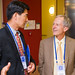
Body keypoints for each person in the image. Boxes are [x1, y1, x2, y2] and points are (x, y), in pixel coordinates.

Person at [0, 1, 36, 75]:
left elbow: (24, 54)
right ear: (15, 15)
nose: (27, 19)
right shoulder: (1, 35)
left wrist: (32, 63)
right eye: (25, 15)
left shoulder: (20, 35)